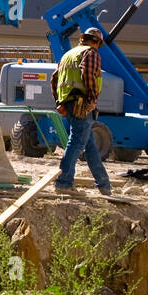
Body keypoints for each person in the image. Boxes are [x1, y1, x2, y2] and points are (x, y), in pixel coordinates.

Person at [53, 27, 113, 196]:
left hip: (69, 103)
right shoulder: (91, 53)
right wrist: (91, 100)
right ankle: (64, 183)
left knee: (89, 145)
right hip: (82, 104)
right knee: (76, 142)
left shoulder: (68, 55)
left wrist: (59, 102)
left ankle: (104, 184)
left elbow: (54, 78)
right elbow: (87, 74)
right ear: (96, 42)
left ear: (83, 38)